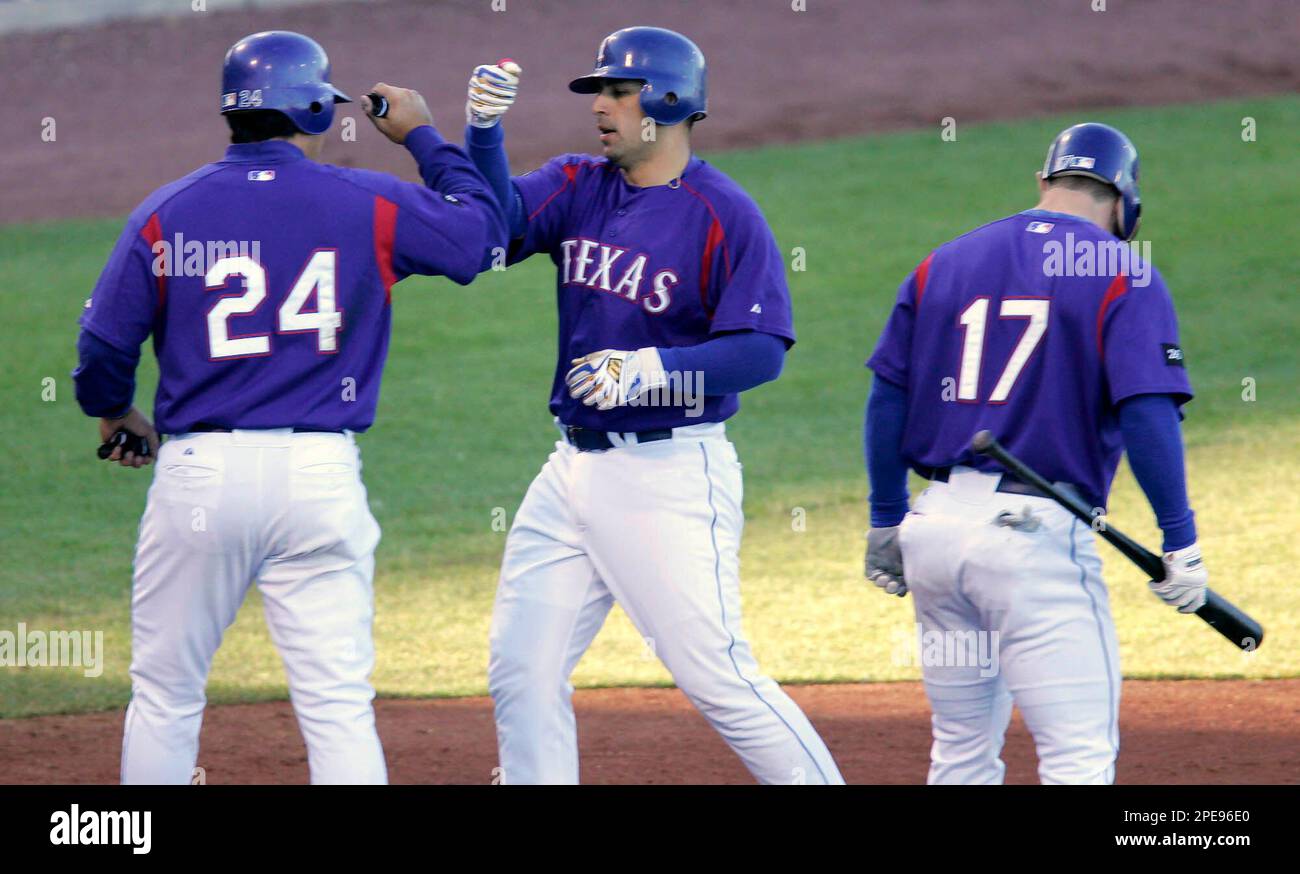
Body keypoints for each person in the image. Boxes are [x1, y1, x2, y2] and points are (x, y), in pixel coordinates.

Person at [72, 30, 505, 784]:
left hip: (198, 476)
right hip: (317, 476)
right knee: (336, 702)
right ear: (312, 106)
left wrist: (114, 410)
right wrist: (425, 136)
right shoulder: (367, 200)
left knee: (167, 693)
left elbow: (104, 344)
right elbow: (480, 238)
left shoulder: (167, 209)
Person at [460, 27, 843, 784]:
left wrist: (648, 371)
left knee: (717, 677)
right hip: (570, 470)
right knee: (522, 671)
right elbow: (495, 231)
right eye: (598, 92)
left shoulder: (724, 214)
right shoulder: (579, 183)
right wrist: (482, 134)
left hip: (668, 474)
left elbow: (760, 352)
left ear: (666, 101)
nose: (599, 106)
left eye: (615, 91)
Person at [863, 122, 1207, 784]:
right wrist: (1180, 541)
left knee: (960, 750)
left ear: (1044, 181)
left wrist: (886, 520)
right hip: (1032, 542)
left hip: (934, 535)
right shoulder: (1122, 272)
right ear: (1124, 199)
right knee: (1077, 756)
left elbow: (887, 398)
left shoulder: (946, 260)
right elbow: (1146, 412)